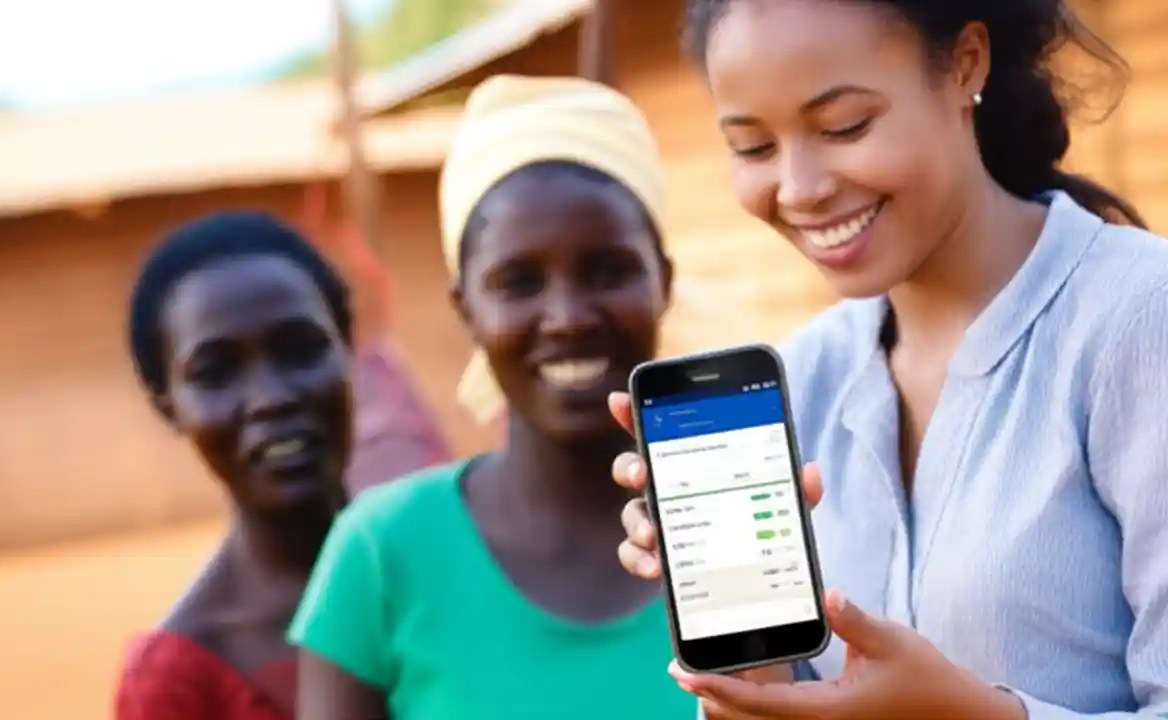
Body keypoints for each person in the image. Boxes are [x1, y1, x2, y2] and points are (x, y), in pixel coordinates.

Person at [609, 0, 1168, 718]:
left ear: (966, 63)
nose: (799, 187)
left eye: (844, 126)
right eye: (753, 147)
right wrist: (758, 683)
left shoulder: (1139, 318)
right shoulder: (803, 378)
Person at [286, 75, 698, 720]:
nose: (565, 317)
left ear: (663, 282)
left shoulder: (744, 535)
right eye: (519, 281)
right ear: (466, 308)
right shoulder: (382, 555)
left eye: (607, 270)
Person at [113, 211, 436, 718]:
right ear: (167, 405)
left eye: (301, 350)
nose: (270, 399)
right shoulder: (180, 683)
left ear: (348, 351)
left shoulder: (454, 568)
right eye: (216, 372)